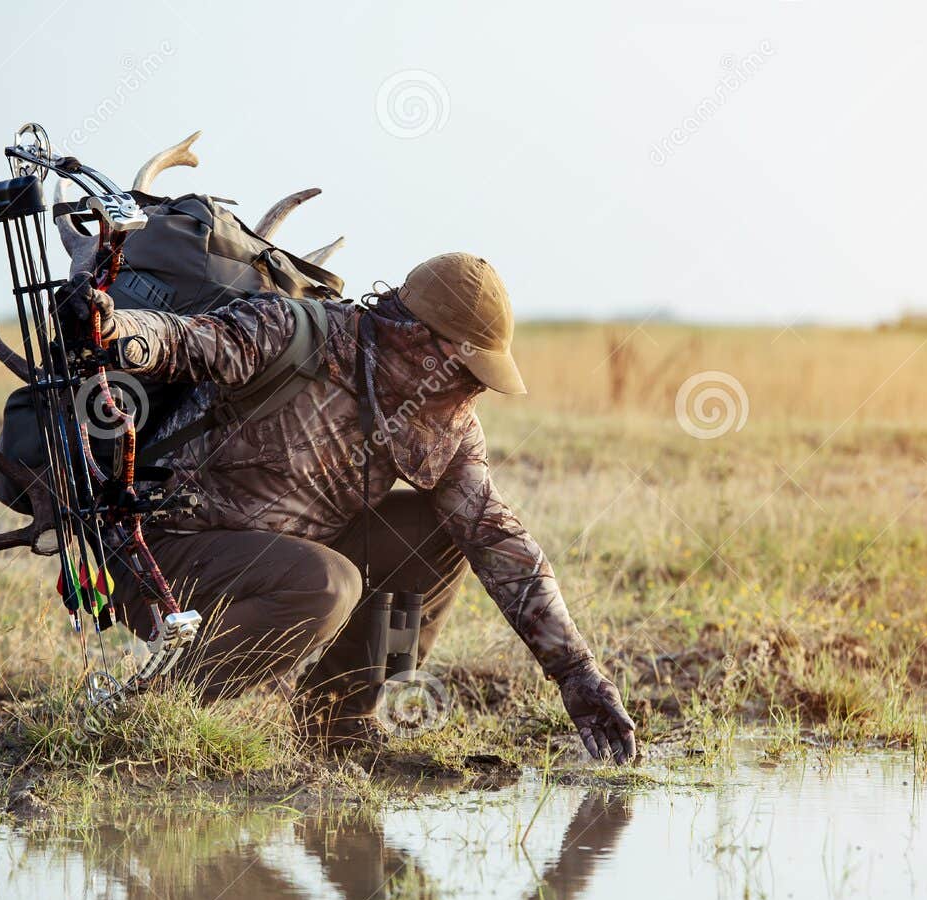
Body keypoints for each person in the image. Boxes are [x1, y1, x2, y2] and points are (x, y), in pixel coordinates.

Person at [69, 252, 636, 764]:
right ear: (417, 340)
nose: (471, 392)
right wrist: (115, 328)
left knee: (443, 529)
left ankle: (336, 721)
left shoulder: (449, 428)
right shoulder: (291, 333)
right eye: (466, 372)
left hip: (282, 565)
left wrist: (576, 673)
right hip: (162, 556)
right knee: (328, 582)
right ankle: (148, 712)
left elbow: (500, 541)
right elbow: (182, 340)